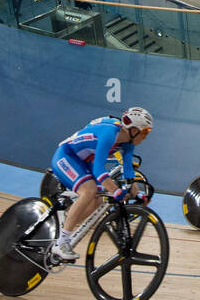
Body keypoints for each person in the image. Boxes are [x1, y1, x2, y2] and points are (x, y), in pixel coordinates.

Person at [47, 107, 154, 262]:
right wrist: (115, 191)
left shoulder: (128, 144)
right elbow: (99, 169)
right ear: (133, 130)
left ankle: (66, 221)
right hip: (66, 155)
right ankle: (61, 243)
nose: (145, 137)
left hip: (84, 162)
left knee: (97, 201)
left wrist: (137, 193)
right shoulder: (109, 134)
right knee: (89, 191)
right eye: (145, 132)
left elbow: (128, 171)